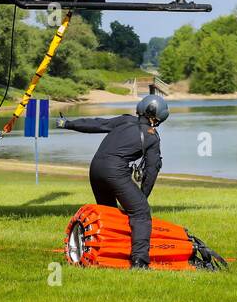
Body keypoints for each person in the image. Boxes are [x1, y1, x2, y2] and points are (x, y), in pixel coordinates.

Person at [58, 94, 167, 269]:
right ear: (157, 117)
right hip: (114, 171)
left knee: (109, 214)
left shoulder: (124, 121)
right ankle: (140, 262)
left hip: (95, 168)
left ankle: (105, 253)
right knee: (141, 213)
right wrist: (142, 197)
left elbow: (97, 123)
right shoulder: (152, 137)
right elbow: (152, 170)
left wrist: (69, 124)